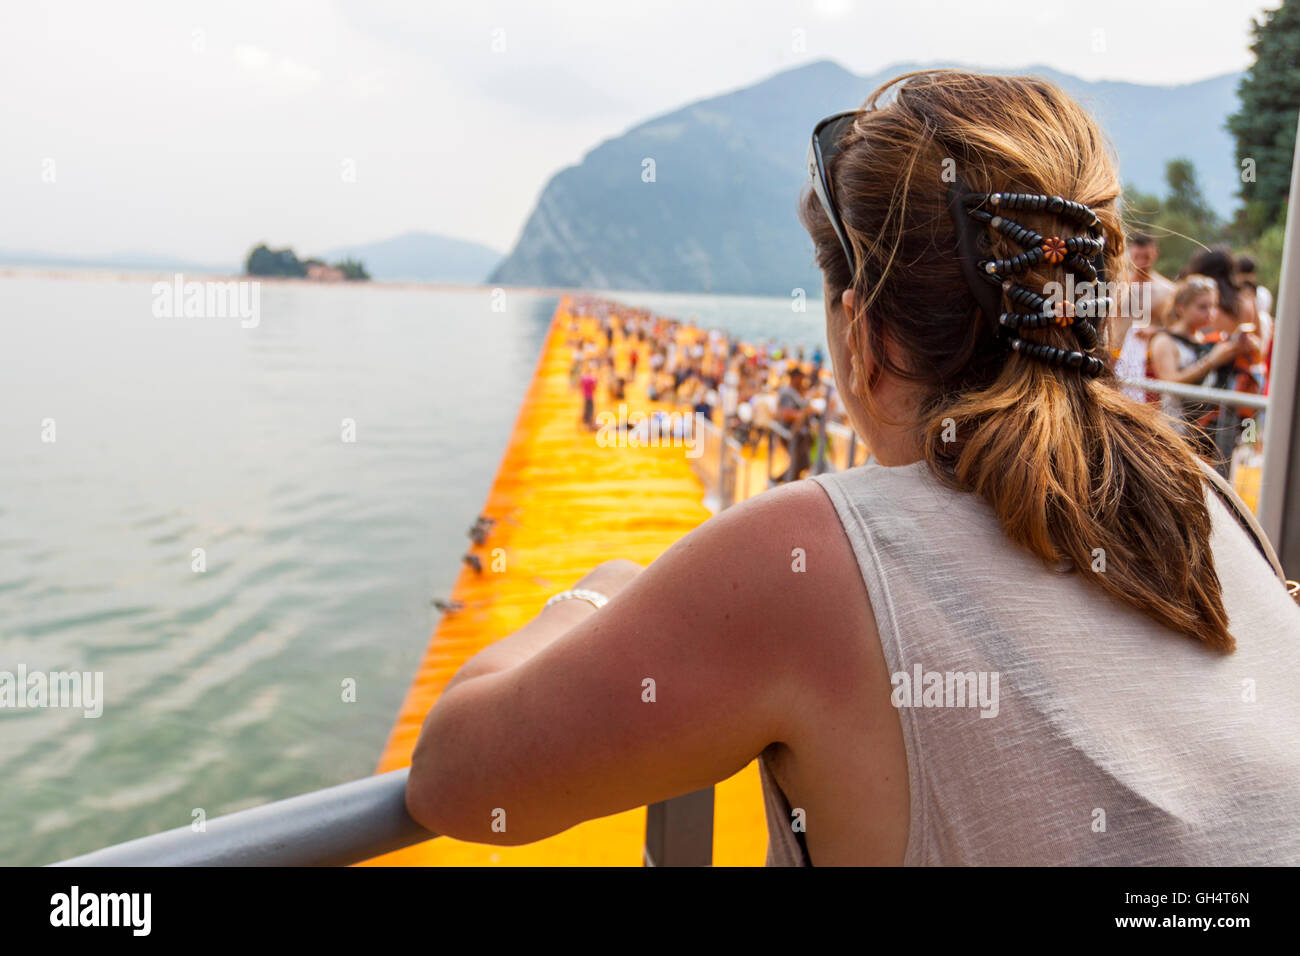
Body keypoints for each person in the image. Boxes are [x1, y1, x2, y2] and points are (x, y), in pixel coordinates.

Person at [405, 70, 1300, 866]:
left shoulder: (815, 552)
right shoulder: (1203, 503)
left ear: (863, 335)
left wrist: (600, 591)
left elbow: (453, 777)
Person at [1147, 275, 1243, 461]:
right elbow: (1169, 380)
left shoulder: (1210, 339)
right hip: (1176, 427)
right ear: (1181, 308)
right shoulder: (1164, 340)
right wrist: (1211, 361)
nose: (1210, 312)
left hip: (1209, 429)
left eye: (1213, 306)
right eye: (1202, 307)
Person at [1115, 232, 1174, 358]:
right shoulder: (1116, 285)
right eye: (1137, 257)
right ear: (1130, 254)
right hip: (1114, 354)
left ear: (1155, 254)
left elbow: (1175, 326)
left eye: (1146, 257)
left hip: (1147, 357)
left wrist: (1155, 330)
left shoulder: (1167, 290)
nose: (1141, 262)